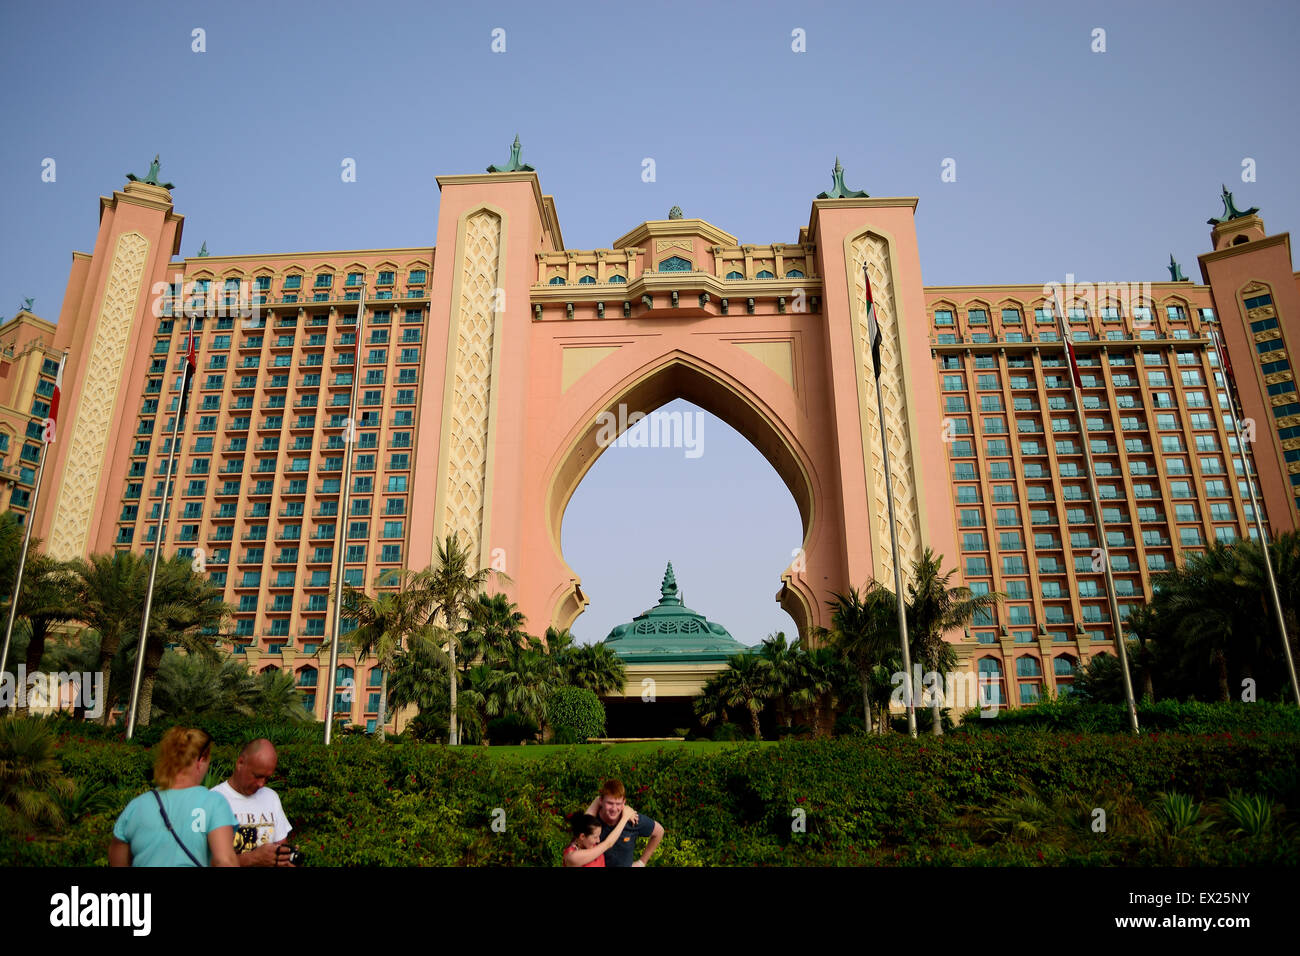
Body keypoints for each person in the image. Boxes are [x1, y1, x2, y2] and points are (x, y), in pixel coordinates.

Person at [109, 727, 238, 867]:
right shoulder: (214, 803)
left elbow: (117, 857)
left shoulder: (136, 806)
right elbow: (224, 860)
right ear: (201, 760)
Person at [211, 738, 296, 867]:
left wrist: (287, 857)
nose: (261, 784)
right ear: (240, 763)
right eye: (257, 776)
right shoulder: (212, 801)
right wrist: (252, 858)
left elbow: (281, 846)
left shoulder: (271, 797)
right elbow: (202, 860)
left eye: (267, 778)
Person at [583, 779, 664, 867]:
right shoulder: (593, 821)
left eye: (618, 804)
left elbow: (659, 832)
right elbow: (581, 829)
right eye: (610, 803)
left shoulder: (633, 819)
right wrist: (596, 801)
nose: (614, 809)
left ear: (623, 803)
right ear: (601, 801)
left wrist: (642, 862)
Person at [562, 806, 636, 867]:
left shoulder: (583, 837)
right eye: (595, 837)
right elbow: (608, 844)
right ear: (582, 836)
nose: (598, 840)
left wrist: (601, 800)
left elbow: (585, 820)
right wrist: (625, 817)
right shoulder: (573, 857)